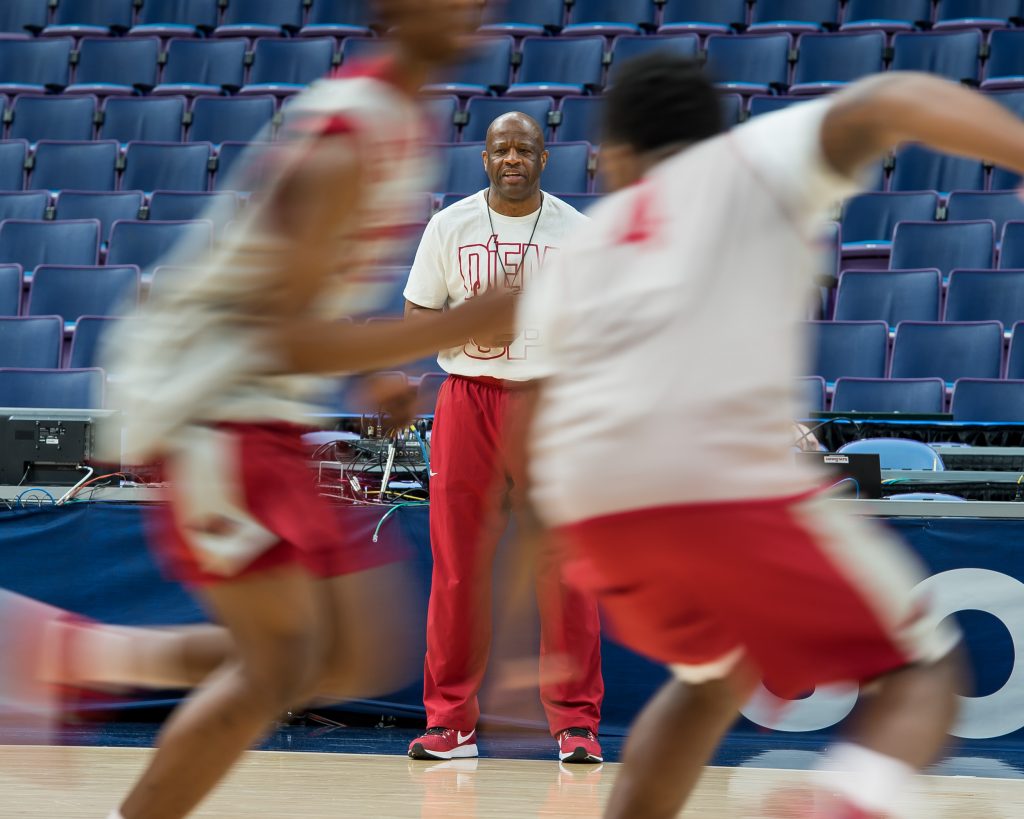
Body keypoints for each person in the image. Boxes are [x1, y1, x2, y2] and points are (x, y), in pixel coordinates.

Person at [1, 2, 520, 818]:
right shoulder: (350, 133)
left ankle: (69, 652)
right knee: (282, 663)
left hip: (255, 394)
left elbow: (292, 291)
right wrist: (461, 325)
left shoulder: (400, 114)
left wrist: (367, 372)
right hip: (209, 398)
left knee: (350, 653)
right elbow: (278, 333)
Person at [517, 54, 1024, 818]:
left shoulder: (581, 247)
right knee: (923, 674)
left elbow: (528, 422)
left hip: (593, 503)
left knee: (709, 676)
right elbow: (894, 93)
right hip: (711, 477)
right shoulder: (750, 160)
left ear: (613, 154)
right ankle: (846, 803)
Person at [403, 112, 604, 764]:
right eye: (501, 148)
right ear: (484, 159)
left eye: (525, 148)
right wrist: (465, 330)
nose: (513, 157)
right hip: (468, 399)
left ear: (544, 159)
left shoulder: (579, 233)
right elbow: (416, 314)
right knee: (459, 568)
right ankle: (450, 722)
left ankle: (575, 723)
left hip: (552, 401)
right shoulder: (449, 226)